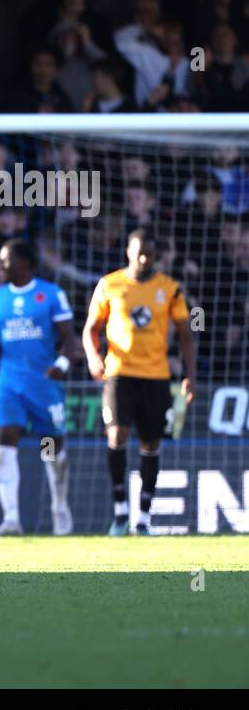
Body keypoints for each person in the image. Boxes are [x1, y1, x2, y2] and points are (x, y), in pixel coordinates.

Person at [82, 229, 196, 536]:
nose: (144, 258)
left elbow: (186, 334)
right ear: (128, 253)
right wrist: (94, 357)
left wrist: (190, 376)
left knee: (151, 443)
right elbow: (91, 328)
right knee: (116, 435)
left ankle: (144, 517)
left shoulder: (170, 288)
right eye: (138, 253)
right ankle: (120, 512)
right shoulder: (110, 284)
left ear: (156, 256)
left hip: (157, 376)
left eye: (149, 254)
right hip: (119, 373)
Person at [0, 239, 78, 536]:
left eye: (7, 260)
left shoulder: (51, 295)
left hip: (43, 384)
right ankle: (11, 519)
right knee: (4, 441)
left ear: (25, 262)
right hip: (9, 382)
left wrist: (61, 366)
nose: (2, 266)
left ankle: (59, 507)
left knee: (50, 447)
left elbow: (69, 339)